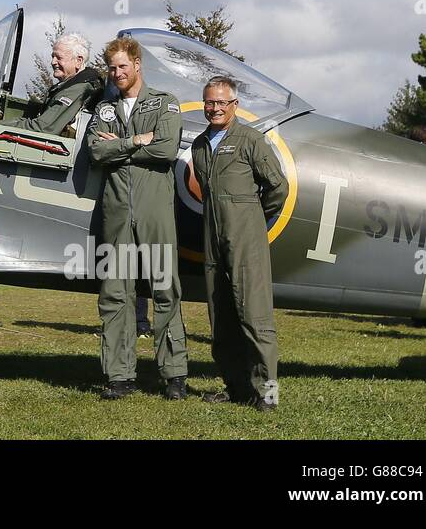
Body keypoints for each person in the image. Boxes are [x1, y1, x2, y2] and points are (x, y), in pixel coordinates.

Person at [86, 36, 187, 400]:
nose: (117, 73)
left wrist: (125, 145)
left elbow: (166, 147)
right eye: (112, 68)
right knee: (116, 292)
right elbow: (97, 151)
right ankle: (119, 375)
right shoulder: (104, 109)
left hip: (154, 212)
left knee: (164, 288)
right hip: (116, 213)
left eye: (123, 66)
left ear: (137, 64)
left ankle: (174, 375)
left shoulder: (165, 102)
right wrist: (135, 141)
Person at [191, 76, 288, 411]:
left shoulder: (250, 139)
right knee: (221, 318)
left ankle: (268, 394)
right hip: (213, 238)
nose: (215, 108)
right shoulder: (200, 144)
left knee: (255, 318)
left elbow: (278, 187)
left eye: (221, 103)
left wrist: (254, 220)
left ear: (235, 105)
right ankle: (236, 388)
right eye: (209, 102)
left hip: (246, 238)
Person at [10, 32, 104, 136]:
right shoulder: (66, 86)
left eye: (59, 57)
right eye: (53, 56)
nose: (53, 62)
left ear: (78, 61)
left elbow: (43, 127)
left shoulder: (79, 89)